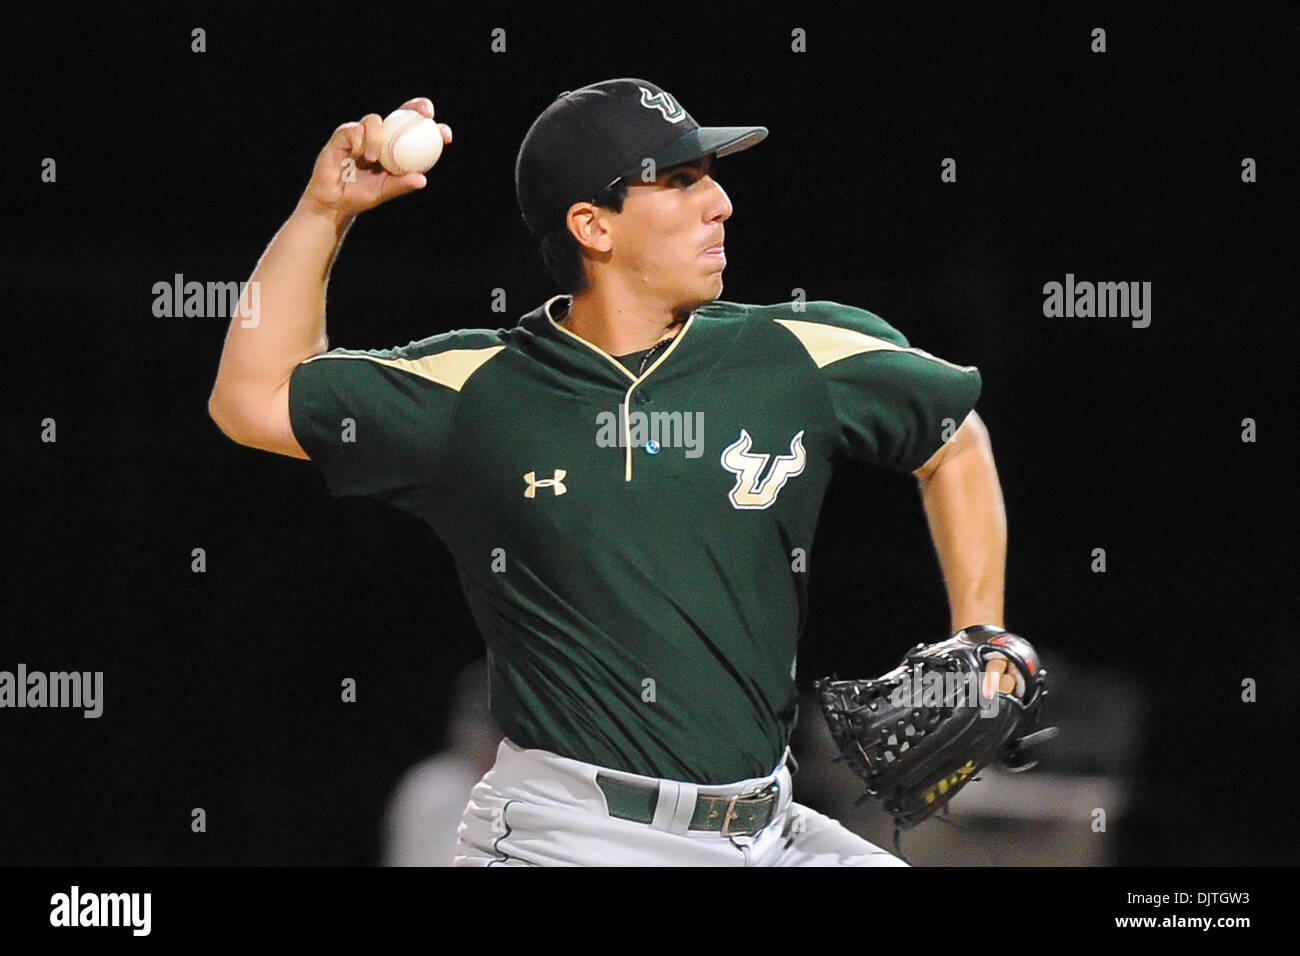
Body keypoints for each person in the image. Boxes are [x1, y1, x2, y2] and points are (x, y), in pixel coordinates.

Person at [208, 78, 1017, 866]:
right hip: (570, 835)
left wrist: (982, 634)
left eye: (711, 175)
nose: (720, 202)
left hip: (769, 829)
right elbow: (252, 398)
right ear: (593, 226)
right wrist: (325, 212)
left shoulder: (797, 354)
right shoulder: (479, 392)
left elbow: (953, 437)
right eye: (680, 181)